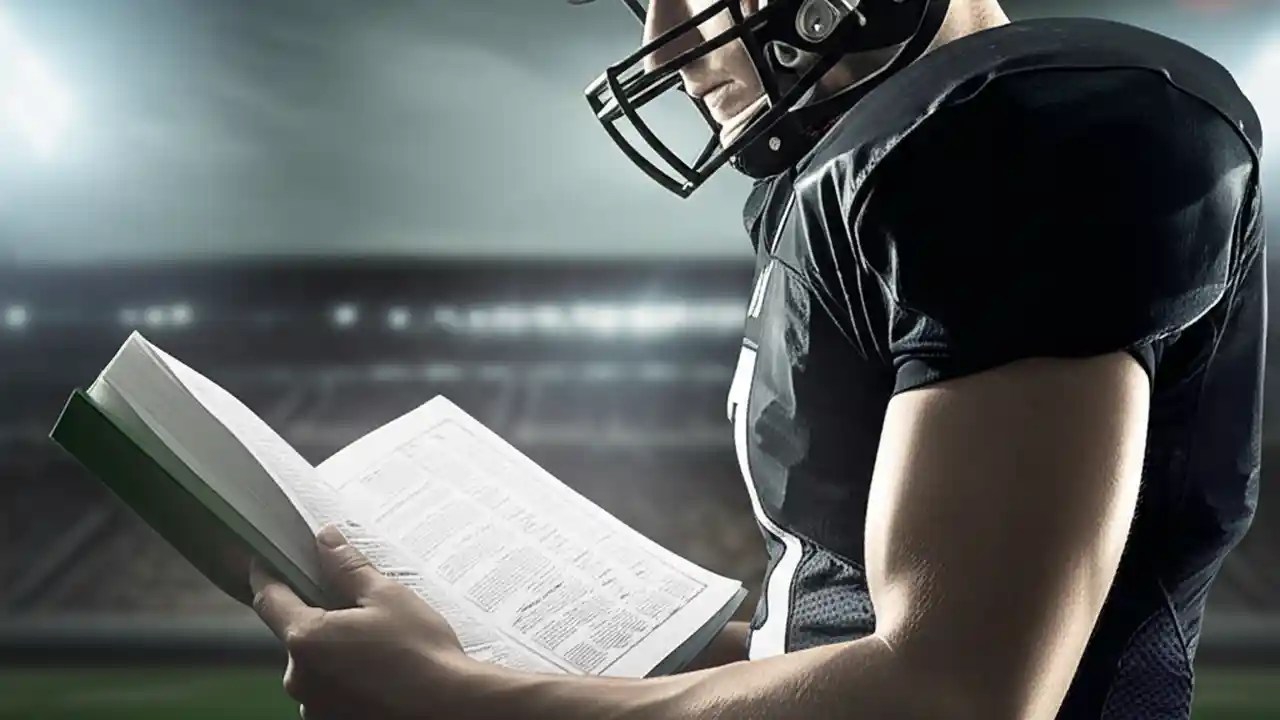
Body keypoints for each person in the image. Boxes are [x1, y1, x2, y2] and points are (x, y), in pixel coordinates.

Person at [249, 0, 1266, 717]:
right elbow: (837, 642)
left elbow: (954, 696)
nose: (664, 38)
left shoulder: (1025, 133)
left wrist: (461, 703)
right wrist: (524, 642)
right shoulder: (860, 170)